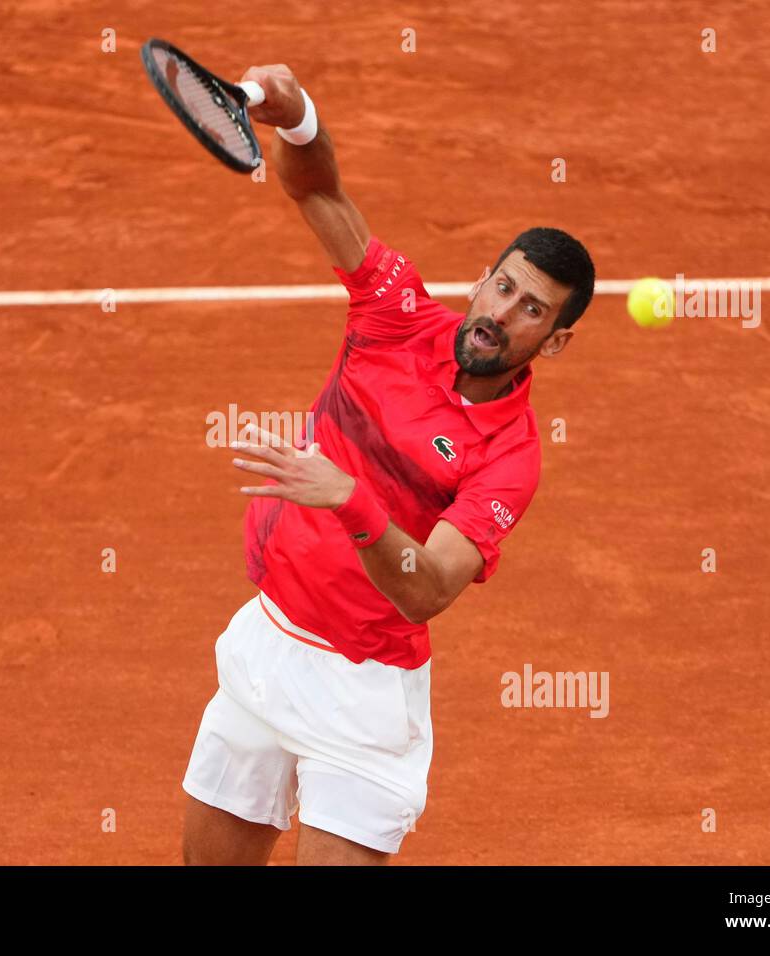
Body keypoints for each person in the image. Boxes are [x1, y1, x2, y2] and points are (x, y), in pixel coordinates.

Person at [182, 63, 596, 865]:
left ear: (558, 338)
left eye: (532, 309)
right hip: (267, 644)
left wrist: (350, 498)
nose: (502, 315)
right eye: (502, 287)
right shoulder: (395, 311)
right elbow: (317, 193)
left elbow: (427, 589)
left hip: (364, 696)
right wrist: (298, 117)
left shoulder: (512, 457)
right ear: (482, 277)